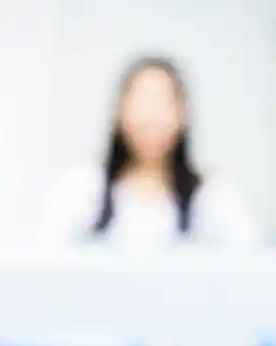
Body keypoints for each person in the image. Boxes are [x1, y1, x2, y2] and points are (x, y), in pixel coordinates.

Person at [39, 57, 259, 250]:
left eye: (163, 103)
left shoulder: (213, 195)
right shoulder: (82, 189)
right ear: (120, 111)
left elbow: (248, 263)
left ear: (183, 115)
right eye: (142, 101)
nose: (152, 116)